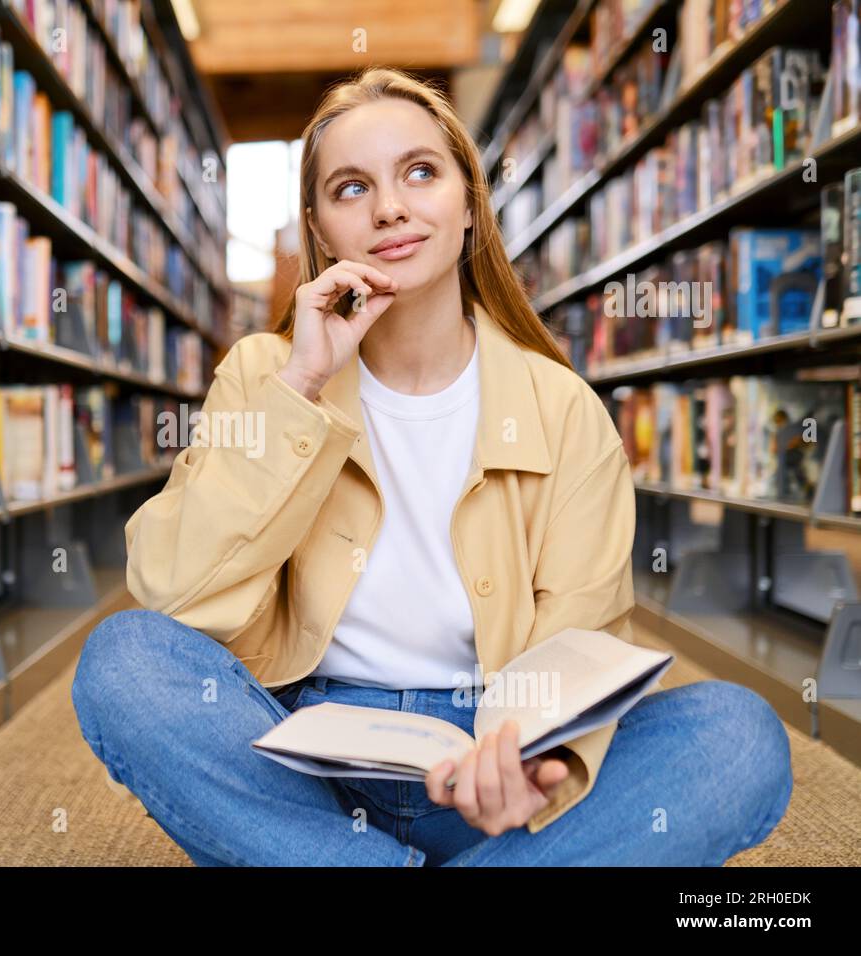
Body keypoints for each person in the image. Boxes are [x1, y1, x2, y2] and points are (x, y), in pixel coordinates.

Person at [71, 66, 793, 866]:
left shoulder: (562, 407)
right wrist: (300, 388)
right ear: (318, 231)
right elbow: (178, 590)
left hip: (488, 762)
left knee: (738, 736)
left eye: (420, 172)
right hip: (303, 765)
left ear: (469, 208)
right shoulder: (264, 374)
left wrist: (525, 755)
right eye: (351, 188)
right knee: (123, 661)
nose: (390, 207)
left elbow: (578, 640)